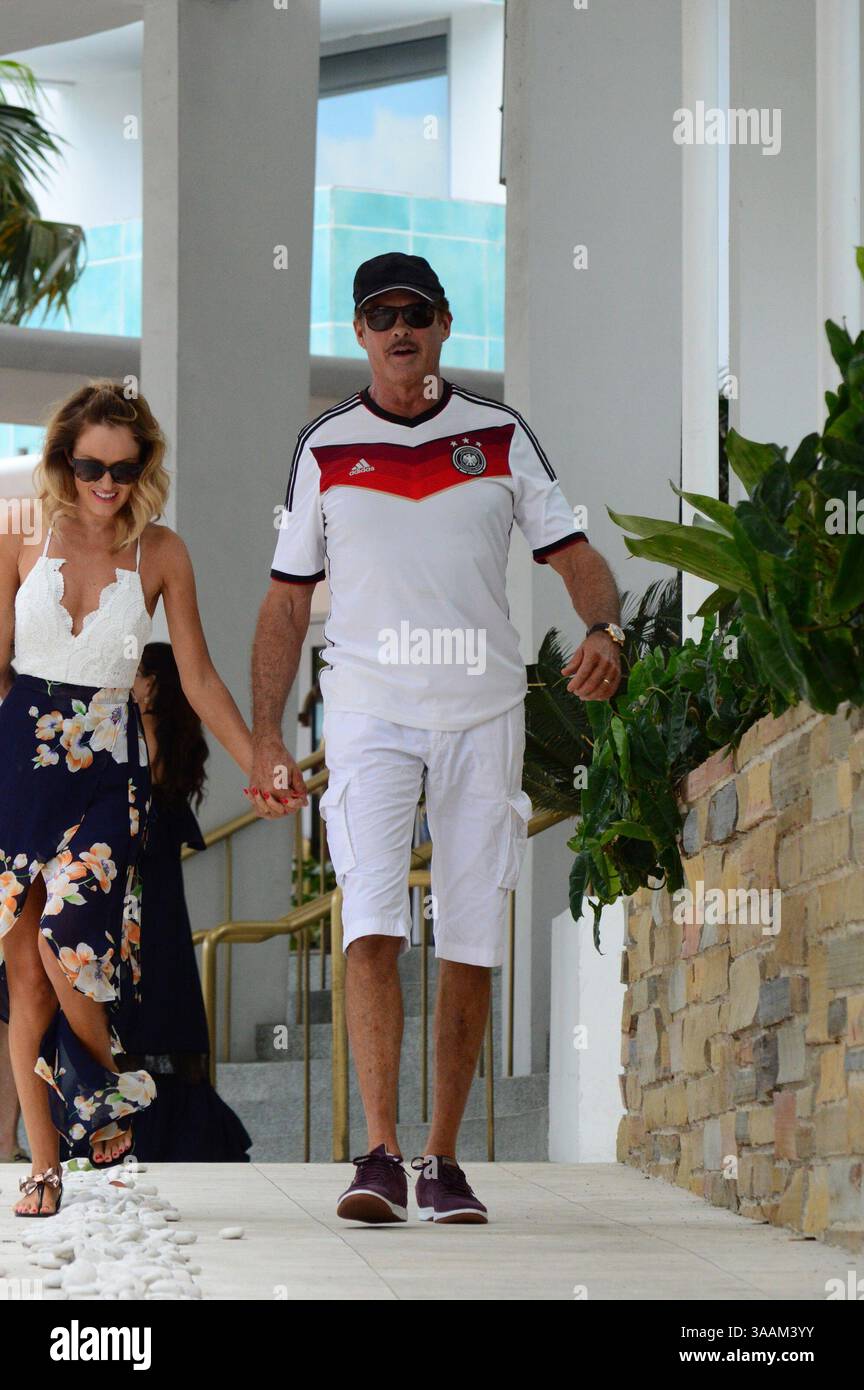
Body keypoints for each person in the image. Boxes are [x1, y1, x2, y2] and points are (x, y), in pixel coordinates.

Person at [248, 252, 624, 1225]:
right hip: (368, 712)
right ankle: (377, 1153)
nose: (400, 328)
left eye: (416, 312)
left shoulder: (497, 434)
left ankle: (443, 1161)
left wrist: (604, 629)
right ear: (362, 332)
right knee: (371, 922)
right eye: (381, 315)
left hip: (483, 711)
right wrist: (265, 735)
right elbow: (288, 603)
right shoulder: (325, 444)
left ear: (446, 324)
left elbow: (573, 552)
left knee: (467, 936)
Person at [0, 381, 253, 1215]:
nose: (106, 483)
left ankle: (103, 1088)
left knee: (71, 937)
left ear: (143, 467)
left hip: (109, 767)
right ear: (61, 463)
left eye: (124, 467)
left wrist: (260, 758)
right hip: (16, 762)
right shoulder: (17, 532)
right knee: (25, 980)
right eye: (89, 467)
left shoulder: (162, 552)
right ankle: (44, 1162)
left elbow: (199, 675)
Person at [115, 642, 251, 1162]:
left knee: (148, 1004)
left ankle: (144, 1133)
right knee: (150, 1001)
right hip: (145, 895)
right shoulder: (152, 737)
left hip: (148, 897)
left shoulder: (152, 738)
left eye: (138, 673)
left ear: (153, 683)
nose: (129, 679)